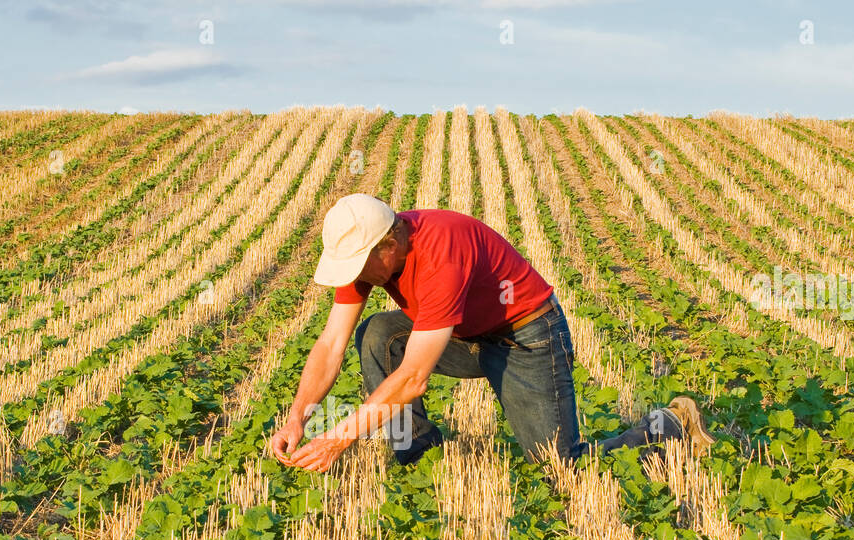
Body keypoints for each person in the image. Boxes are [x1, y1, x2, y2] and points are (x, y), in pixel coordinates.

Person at [270, 193, 714, 472]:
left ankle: (668, 426)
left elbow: (413, 378)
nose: (354, 276)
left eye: (360, 265)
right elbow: (330, 345)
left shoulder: (441, 251)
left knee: (560, 467)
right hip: (465, 337)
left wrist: (337, 437)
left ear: (389, 243)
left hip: (526, 336)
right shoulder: (366, 256)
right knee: (378, 335)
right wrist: (298, 417)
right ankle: (422, 457)